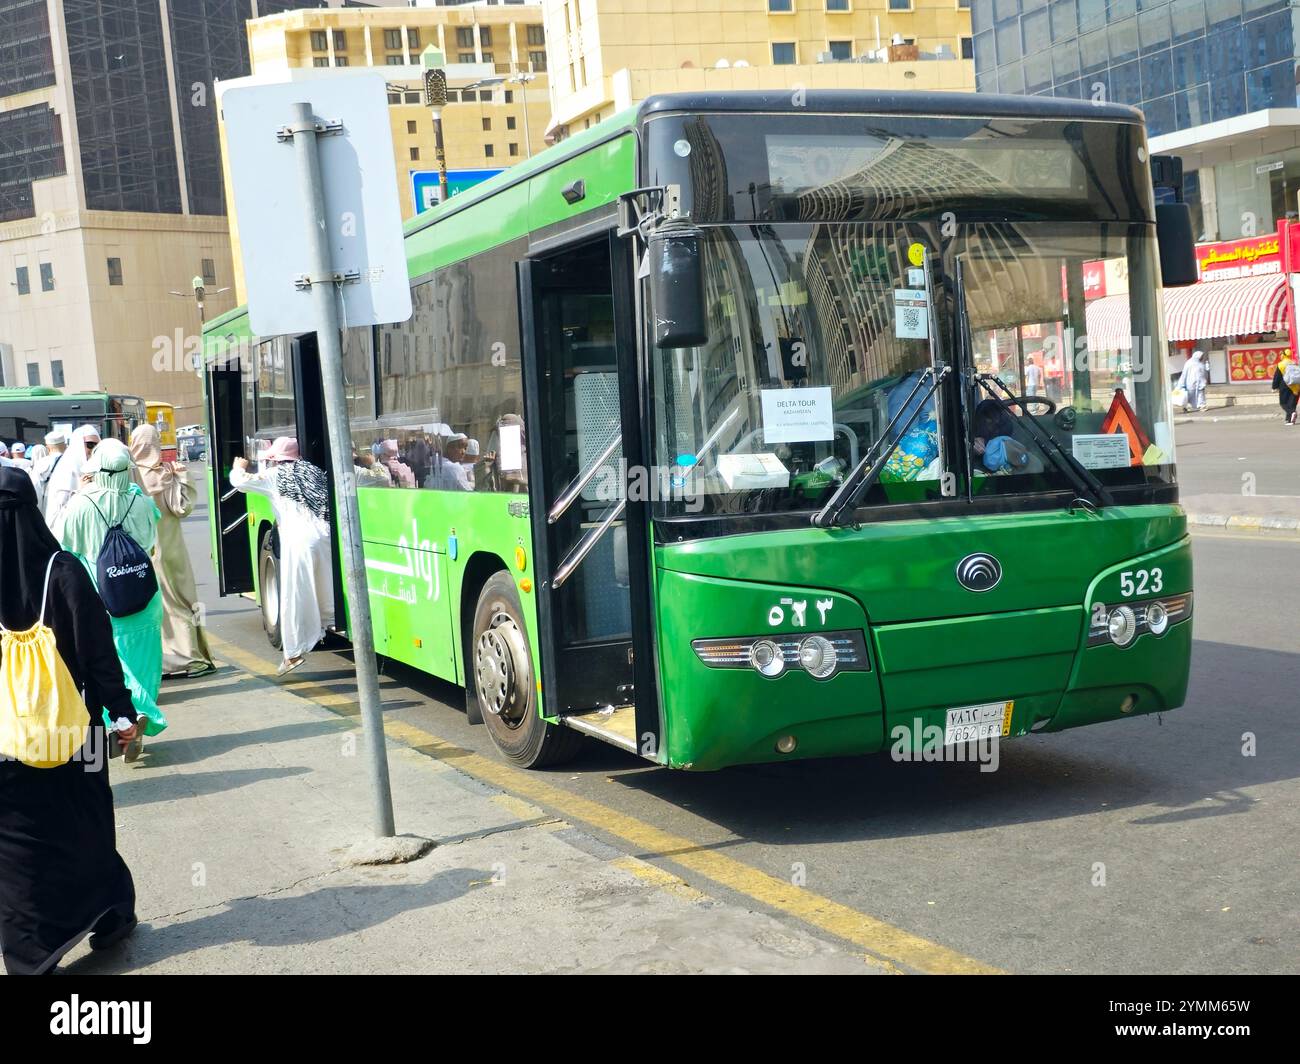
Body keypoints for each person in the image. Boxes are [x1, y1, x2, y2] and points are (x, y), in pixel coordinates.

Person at [0, 467, 140, 974]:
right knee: (90, 824)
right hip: (75, 734)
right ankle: (111, 915)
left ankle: (30, 952)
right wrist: (122, 714)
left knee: (15, 849)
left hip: (3, 741)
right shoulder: (63, 570)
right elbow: (100, 656)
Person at [53, 439, 167, 748]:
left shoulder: (81, 504)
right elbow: (152, 544)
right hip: (143, 596)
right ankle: (141, 713)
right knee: (144, 664)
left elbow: (65, 549)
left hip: (102, 599)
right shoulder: (141, 501)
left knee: (111, 664)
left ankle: (126, 721)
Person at [229, 438, 334, 675]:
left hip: (299, 540)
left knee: (294, 597)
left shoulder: (275, 476)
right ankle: (326, 625)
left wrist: (239, 467)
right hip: (324, 536)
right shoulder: (313, 471)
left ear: (275, 459)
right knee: (326, 588)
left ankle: (293, 653)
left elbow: (240, 483)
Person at [130, 425, 215, 679]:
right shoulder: (166, 474)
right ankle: (193, 658)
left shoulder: (130, 476)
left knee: (155, 607)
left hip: (143, 551)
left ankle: (167, 661)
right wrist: (182, 477)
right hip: (171, 549)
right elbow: (182, 508)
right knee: (182, 600)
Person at [43, 424, 99, 525]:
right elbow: (58, 514)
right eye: (90, 444)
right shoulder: (66, 471)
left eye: (97, 445)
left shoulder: (96, 469)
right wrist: (81, 492)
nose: (94, 449)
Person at [1272, 350, 1300, 426]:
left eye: (1281, 354)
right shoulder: (1294, 363)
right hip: (1296, 387)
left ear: (1284, 355)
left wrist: (1274, 387)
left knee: (1283, 403)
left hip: (1285, 386)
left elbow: (1277, 377)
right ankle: (1289, 420)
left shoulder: (1281, 364)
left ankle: (1292, 413)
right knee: (1292, 404)